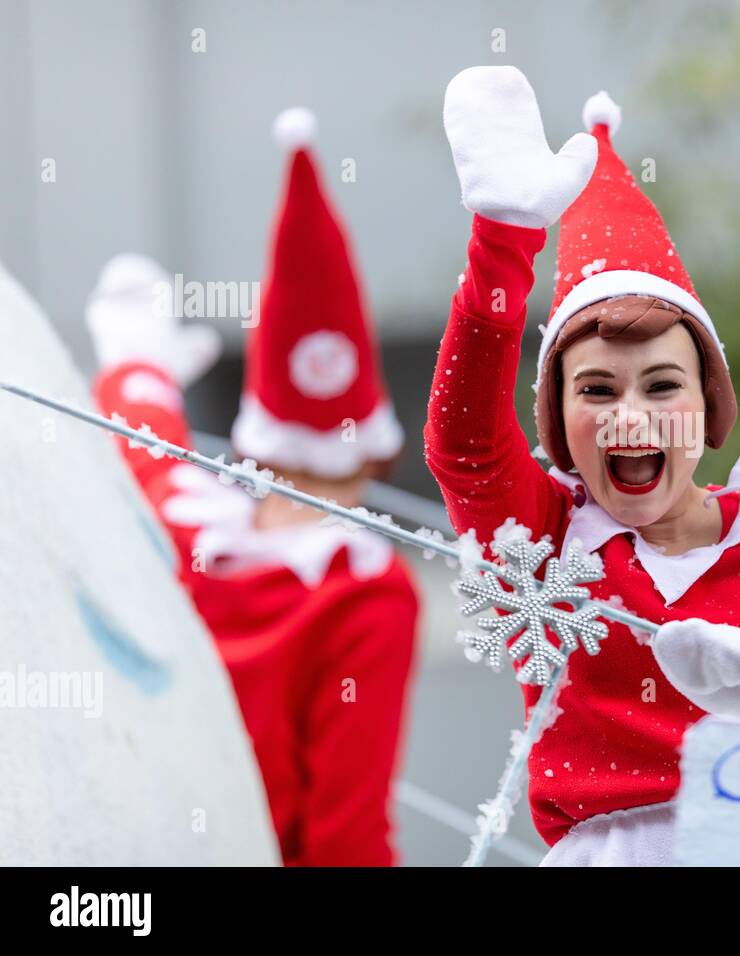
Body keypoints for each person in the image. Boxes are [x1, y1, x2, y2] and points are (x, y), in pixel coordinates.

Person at [427, 66, 740, 866]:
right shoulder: (544, 536)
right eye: (595, 389)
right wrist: (502, 242)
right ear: (557, 418)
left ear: (710, 402)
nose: (630, 416)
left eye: (662, 385)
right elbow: (464, 447)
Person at [88, 108, 417, 866]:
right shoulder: (367, 593)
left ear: (251, 439)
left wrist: (138, 362)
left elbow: (146, 445)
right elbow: (347, 838)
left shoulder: (189, 527)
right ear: (376, 447)